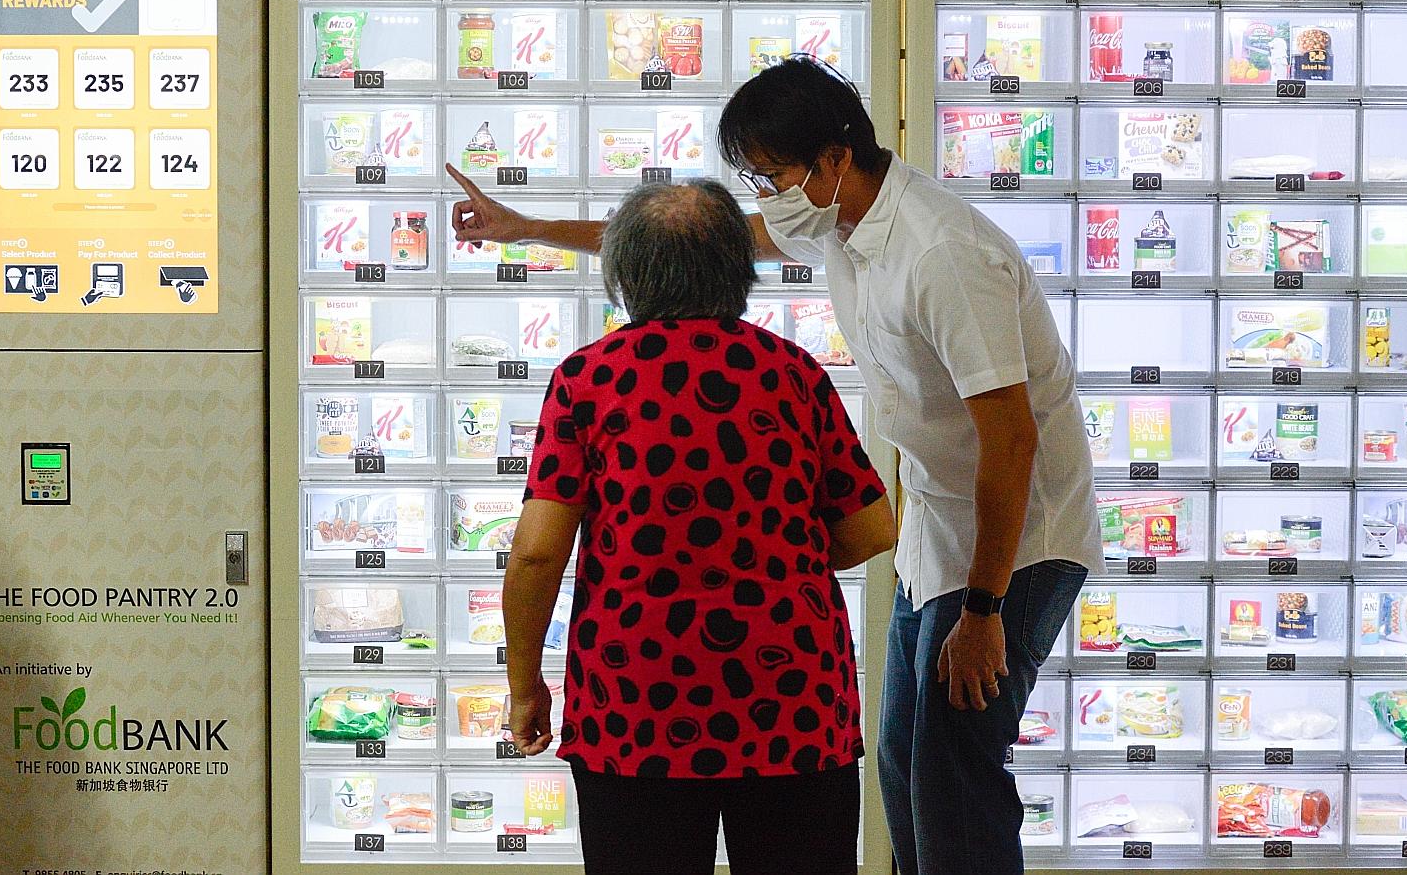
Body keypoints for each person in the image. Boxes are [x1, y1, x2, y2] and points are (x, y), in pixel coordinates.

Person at [454, 55, 1104, 875]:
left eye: (773, 173)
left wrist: (984, 612)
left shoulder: (942, 253)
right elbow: (692, 243)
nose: (767, 196)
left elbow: (1012, 439)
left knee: (952, 775)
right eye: (755, 180)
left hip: (1011, 544)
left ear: (835, 158)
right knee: (906, 769)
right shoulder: (816, 288)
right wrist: (529, 230)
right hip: (871, 606)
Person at [500, 178, 896, 875]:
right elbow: (869, 529)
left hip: (634, 705)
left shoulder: (588, 379)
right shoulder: (795, 373)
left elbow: (537, 556)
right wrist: (777, 561)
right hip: (793, 705)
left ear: (624, 274)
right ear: (738, 270)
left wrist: (526, 685)